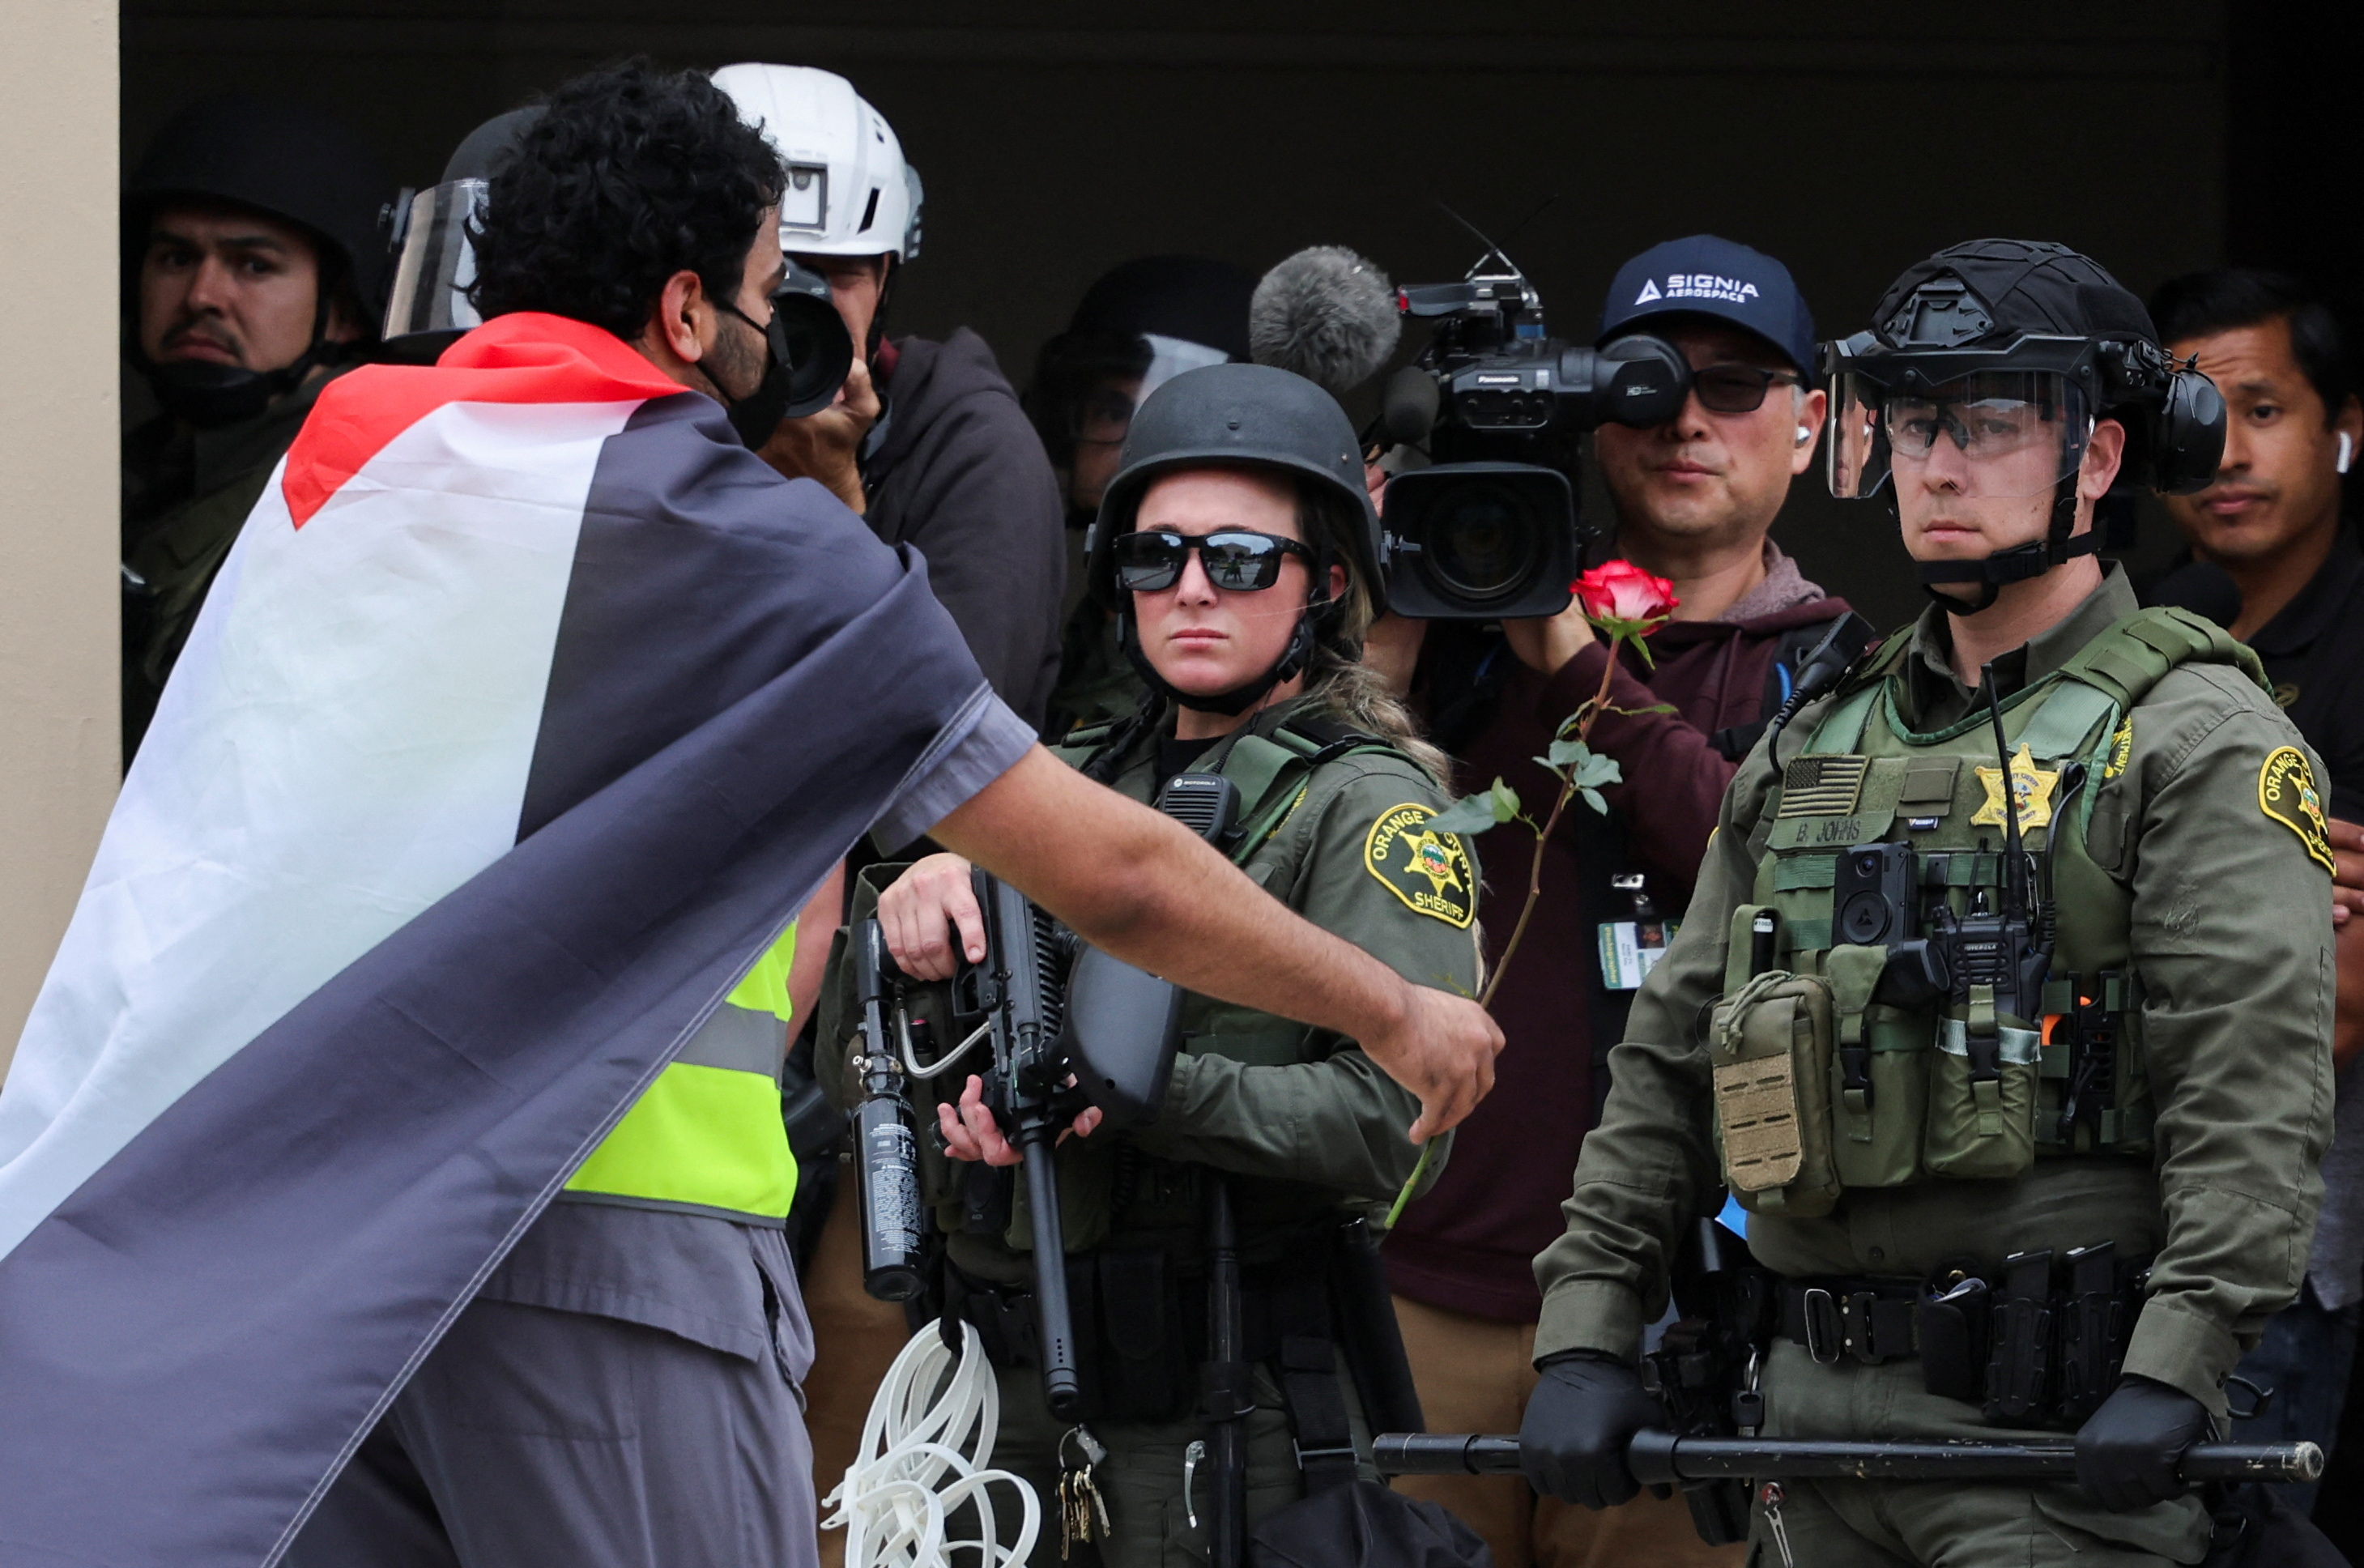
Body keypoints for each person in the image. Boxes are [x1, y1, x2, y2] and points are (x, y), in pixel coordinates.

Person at [266, 65, 1498, 1568]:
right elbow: (1117, 880)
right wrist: (1394, 1013)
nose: (1189, 590)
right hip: (625, 1245)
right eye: (776, 295)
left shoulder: (357, 472)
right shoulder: (744, 539)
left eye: (1239, 560)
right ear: (681, 313)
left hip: (341, 1239)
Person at [1516, 240, 2333, 1567]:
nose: (1936, 463)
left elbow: (2248, 1095)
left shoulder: (2190, 736)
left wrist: (2177, 1363)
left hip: (2048, 1449)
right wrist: (1587, 1328)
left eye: (1990, 421)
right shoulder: (1817, 737)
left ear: (2099, 458)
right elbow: (1668, 1059)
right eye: (1910, 421)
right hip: (1802, 1436)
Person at [824, 361, 1484, 1566]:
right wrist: (913, 921)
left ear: (1324, 582)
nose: (1189, 588)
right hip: (992, 1396)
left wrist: (1136, 1099)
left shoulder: (1367, 811)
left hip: (1224, 1407)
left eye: (1237, 559)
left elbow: (1394, 1125)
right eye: (1153, 556)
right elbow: (858, 1059)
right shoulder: (1053, 784)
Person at [1382, 235, 1848, 1568]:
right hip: (1438, 1275)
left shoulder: (1840, 670)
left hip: (1682, 1303)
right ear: (1592, 419)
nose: (1688, 420)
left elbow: (1766, 888)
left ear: (1809, 426)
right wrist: (1406, 549)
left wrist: (1579, 661)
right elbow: (1318, 801)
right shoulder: (1461, 615)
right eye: (1648, 388)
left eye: (1736, 386)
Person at [2148, 266, 2364, 1519]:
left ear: (2346, 427)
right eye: (2190, 412)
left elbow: (2326, 1005)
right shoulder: (2134, 632)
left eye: (2263, 408)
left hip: (2286, 1244)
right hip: (2112, 1244)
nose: (2222, 450)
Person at [713, 63, 1066, 731]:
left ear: (887, 280)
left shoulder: (971, 447)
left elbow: (945, 739)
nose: (791, 309)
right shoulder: (644, 421)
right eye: (771, 278)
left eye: (836, 275)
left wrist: (833, 496)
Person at [120, 96, 393, 761]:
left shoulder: (358, 493)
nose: (203, 295)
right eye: (176, 258)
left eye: (254, 266)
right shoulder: (140, 475)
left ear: (346, 311)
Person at [1028, 254, 1258, 737]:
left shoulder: (1253, 668)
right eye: (1115, 411)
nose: (1137, 446)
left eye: (1174, 419)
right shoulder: (1072, 637)